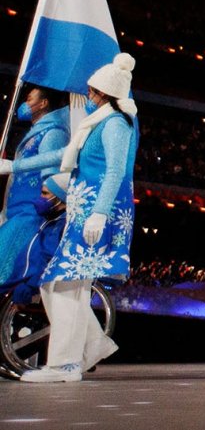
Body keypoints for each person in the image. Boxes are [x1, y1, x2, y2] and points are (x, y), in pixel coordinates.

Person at [13, 56, 139, 384]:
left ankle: (65, 365)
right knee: (67, 284)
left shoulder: (115, 123)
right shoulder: (98, 122)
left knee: (61, 282)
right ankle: (92, 346)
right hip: (85, 210)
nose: (87, 95)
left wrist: (98, 213)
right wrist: (13, 167)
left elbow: (115, 170)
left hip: (99, 212)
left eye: (92, 90)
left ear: (105, 92)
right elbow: (63, 155)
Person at [0, 84, 70, 290]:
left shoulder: (53, 132)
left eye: (30, 99)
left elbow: (51, 173)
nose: (25, 104)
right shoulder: (38, 130)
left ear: (43, 103)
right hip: (15, 211)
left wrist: (42, 205)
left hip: (29, 214)